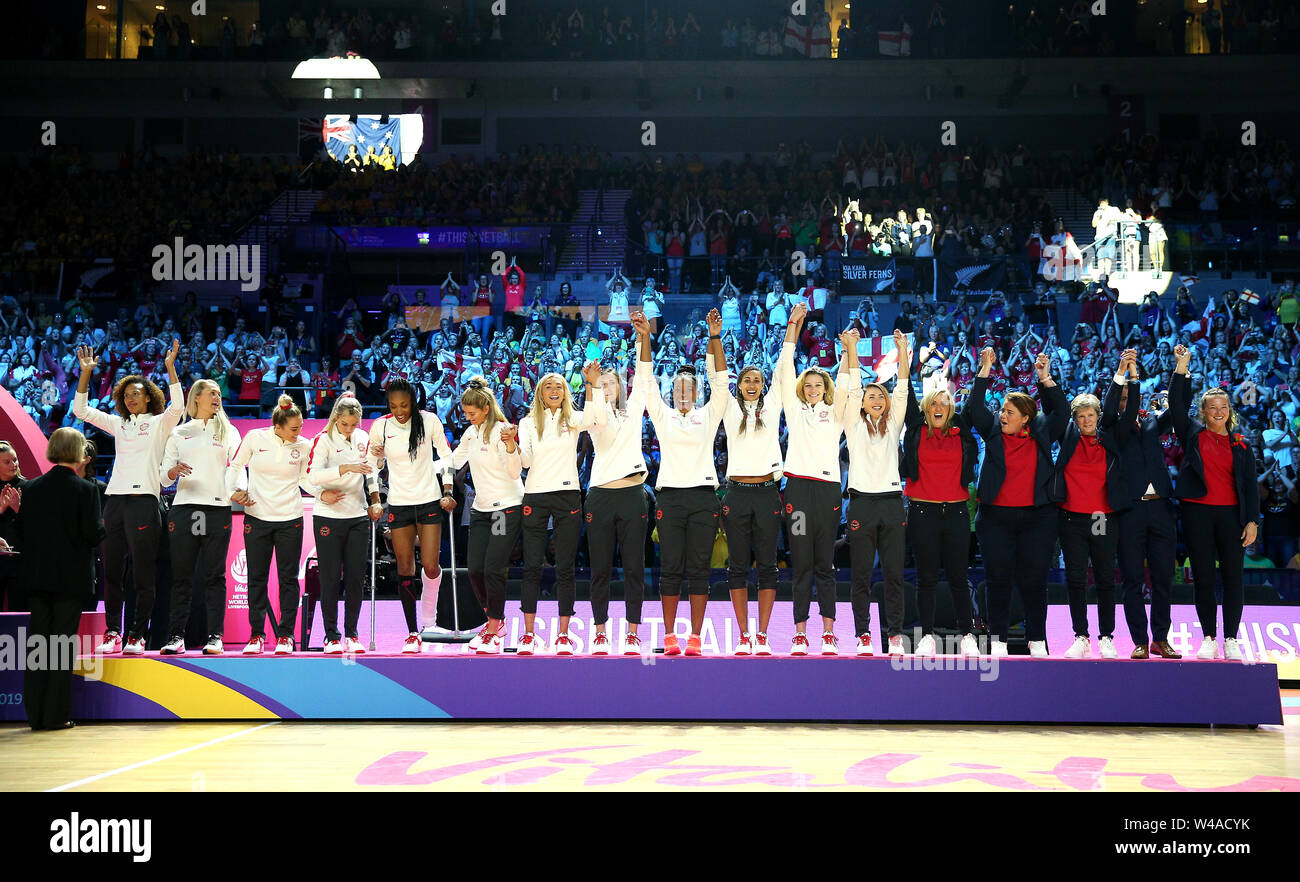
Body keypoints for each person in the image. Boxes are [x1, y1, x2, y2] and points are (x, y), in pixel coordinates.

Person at [72, 341, 182, 653]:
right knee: (112, 573)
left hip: (145, 501)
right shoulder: (119, 423)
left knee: (143, 573)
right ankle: (112, 632)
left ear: (149, 396)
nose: (130, 398)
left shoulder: (160, 423)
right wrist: (86, 373)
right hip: (115, 502)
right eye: (126, 394)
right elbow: (80, 410)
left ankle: (137, 634)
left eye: (136, 393)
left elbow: (177, 407)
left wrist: (171, 368)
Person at [968, 346, 1068, 657]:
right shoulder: (993, 431)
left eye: (1010, 412)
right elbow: (973, 408)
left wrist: (1044, 378)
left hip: (1038, 519)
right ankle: (997, 640)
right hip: (996, 518)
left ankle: (1036, 639)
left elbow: (1062, 412)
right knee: (998, 579)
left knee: (1034, 580)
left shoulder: (1040, 430)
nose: (1002, 415)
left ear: (1026, 417)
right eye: (1002, 411)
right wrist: (985, 369)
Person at [640, 308, 729, 656]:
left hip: (704, 498)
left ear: (696, 392)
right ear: (670, 390)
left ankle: (695, 637)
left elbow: (721, 382)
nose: (681, 392)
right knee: (671, 568)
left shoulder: (708, 416)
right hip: (671, 500)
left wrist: (714, 336)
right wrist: (645, 337)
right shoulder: (662, 417)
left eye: (688, 388)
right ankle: (669, 637)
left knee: (699, 568)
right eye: (676, 387)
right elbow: (645, 382)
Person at [1170, 344, 1260, 661]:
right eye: (1212, 407)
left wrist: (1252, 521)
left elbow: (1250, 487)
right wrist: (1182, 367)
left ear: (1230, 410)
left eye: (1223, 407)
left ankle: (1231, 638)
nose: (1218, 411)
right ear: (1204, 412)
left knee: (1233, 577)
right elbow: (1176, 405)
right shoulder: (1192, 433)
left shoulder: (1241, 445)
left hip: (1232, 517)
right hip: (1198, 513)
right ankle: (1209, 636)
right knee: (1204, 576)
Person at [14, 428, 104, 731]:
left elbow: (23, 534)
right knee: (61, 646)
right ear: (78, 452)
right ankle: (56, 716)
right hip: (70, 580)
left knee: (38, 646)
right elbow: (93, 535)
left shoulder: (32, 488)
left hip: (37, 579)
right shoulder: (86, 490)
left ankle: (36, 715)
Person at [516, 362, 606, 654]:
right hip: (535, 495)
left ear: (566, 392)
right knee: (531, 566)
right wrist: (511, 447)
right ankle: (528, 635)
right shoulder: (527, 423)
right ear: (540, 393)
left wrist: (592, 384)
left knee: (565, 567)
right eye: (548, 386)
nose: (554, 390)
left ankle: (563, 634)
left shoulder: (574, 418)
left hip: (568, 495)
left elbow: (597, 419)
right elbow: (526, 462)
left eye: (559, 386)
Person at [778, 302, 852, 655]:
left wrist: (850, 352)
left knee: (825, 563)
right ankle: (800, 633)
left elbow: (850, 386)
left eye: (817, 384)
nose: (811, 389)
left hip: (827, 493)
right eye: (806, 385)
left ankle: (828, 633)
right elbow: (782, 370)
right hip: (798, 491)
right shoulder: (793, 410)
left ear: (825, 386)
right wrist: (794, 327)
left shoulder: (835, 412)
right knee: (801, 564)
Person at [1102, 349, 1181, 659]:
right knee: (1133, 579)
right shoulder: (1112, 429)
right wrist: (1128, 374)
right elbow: (1118, 405)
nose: (1126, 404)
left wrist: (1180, 372)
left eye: (1127, 399)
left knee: (1163, 578)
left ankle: (1161, 638)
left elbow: (1174, 407)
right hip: (1130, 511)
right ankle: (1139, 640)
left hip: (1161, 508)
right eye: (1120, 400)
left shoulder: (1151, 424)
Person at [367, 377, 456, 653]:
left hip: (430, 500)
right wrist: (375, 499)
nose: (399, 411)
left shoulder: (429, 421)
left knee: (430, 565)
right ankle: (412, 632)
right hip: (400, 504)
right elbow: (372, 465)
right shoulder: (380, 426)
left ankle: (430, 621)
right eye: (393, 406)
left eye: (404, 405)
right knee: (404, 569)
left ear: (413, 402)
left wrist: (448, 489)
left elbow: (447, 455)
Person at [230, 395, 323, 655]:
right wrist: (237, 490)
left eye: (301, 427)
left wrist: (321, 493)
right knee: (256, 579)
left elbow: (306, 478)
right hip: (257, 518)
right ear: (277, 426)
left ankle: (286, 635)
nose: (299, 433)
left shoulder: (304, 445)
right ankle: (256, 635)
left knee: (288, 580)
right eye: (294, 429)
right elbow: (236, 465)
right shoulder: (255, 438)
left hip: (290, 519)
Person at [716, 322, 786, 657]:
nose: (752, 384)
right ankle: (743, 634)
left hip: (768, 493)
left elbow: (785, 367)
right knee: (738, 566)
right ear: (739, 385)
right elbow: (718, 375)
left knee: (769, 565)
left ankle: (763, 634)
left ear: (764, 384)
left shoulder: (773, 407)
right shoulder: (730, 409)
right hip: (737, 494)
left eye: (757, 379)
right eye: (747, 380)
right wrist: (715, 337)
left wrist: (793, 327)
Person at [842, 328, 912, 656]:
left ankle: (895, 634)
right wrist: (852, 348)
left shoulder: (894, 423)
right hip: (860, 504)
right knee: (861, 575)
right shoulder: (852, 425)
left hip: (891, 503)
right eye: (872, 396)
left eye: (880, 396)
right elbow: (853, 389)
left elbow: (902, 390)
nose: (876, 399)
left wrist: (902, 351)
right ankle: (863, 634)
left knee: (894, 573)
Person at [159, 379, 242, 655]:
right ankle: (175, 636)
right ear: (197, 398)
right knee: (181, 576)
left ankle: (215, 636)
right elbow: (162, 475)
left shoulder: (230, 432)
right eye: (212, 394)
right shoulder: (179, 432)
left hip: (217, 508)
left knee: (214, 576)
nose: (217, 398)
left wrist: (239, 491)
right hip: (184, 507)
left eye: (219, 394)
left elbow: (239, 469)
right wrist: (172, 472)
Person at [1050, 378, 1129, 660]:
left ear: (1099, 417)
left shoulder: (1110, 436)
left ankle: (1106, 636)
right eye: (1081, 416)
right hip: (1071, 516)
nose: (1086, 420)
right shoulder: (1068, 436)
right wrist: (1047, 378)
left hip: (1100, 517)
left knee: (1105, 577)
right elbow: (1055, 405)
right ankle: (1080, 636)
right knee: (1075, 578)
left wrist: (1120, 375)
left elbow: (1112, 408)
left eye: (1091, 415)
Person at [901, 383, 981, 657]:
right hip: (923, 513)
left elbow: (975, 401)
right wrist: (903, 352)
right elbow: (907, 394)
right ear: (926, 409)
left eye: (944, 403)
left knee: (959, 577)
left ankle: (968, 634)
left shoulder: (962, 432)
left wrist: (983, 369)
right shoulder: (915, 429)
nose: (938, 407)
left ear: (951, 409)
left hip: (957, 513)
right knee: (926, 578)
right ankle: (926, 636)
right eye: (933, 403)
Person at [584, 354, 651, 656]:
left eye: (612, 383)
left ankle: (632, 633)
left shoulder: (633, 410)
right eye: (603, 384)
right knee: (600, 569)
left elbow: (645, 373)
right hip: (600, 496)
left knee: (634, 568)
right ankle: (600, 633)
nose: (608, 387)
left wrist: (643, 338)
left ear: (621, 387)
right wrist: (591, 385)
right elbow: (592, 413)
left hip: (632, 495)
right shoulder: (595, 414)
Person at [450, 378, 524, 655]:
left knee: (493, 568)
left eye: (472, 413)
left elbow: (515, 472)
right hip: (480, 509)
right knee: (475, 570)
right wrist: (416, 465)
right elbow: (453, 461)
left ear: (485, 408)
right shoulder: (470, 433)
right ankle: (495, 618)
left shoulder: (503, 430)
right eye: (466, 413)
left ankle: (494, 627)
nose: (468, 418)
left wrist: (510, 446)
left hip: (505, 507)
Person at [306, 393, 382, 654]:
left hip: (358, 515)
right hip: (328, 515)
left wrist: (375, 499)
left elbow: (371, 471)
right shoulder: (322, 440)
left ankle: (352, 633)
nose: (349, 429)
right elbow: (312, 476)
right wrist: (342, 470)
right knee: (329, 578)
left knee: (355, 578)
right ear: (336, 419)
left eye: (354, 424)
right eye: (345, 424)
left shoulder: (363, 438)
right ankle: (331, 636)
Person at [0, 440, 27, 611]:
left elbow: (39, 525)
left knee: (20, 610)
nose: (13, 464)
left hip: (21, 560)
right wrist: (1, 508)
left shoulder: (28, 487)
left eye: (15, 460)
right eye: (7, 462)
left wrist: (19, 509)